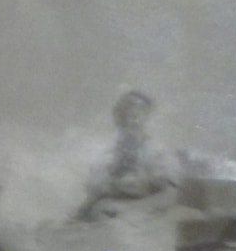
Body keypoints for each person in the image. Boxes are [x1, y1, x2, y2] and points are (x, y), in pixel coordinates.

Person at [74, 91, 178, 221]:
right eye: (123, 117)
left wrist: (129, 208)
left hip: (143, 214)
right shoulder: (108, 153)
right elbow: (95, 194)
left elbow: (169, 196)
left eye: (134, 116)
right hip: (106, 211)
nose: (128, 122)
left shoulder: (155, 152)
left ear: (145, 117)